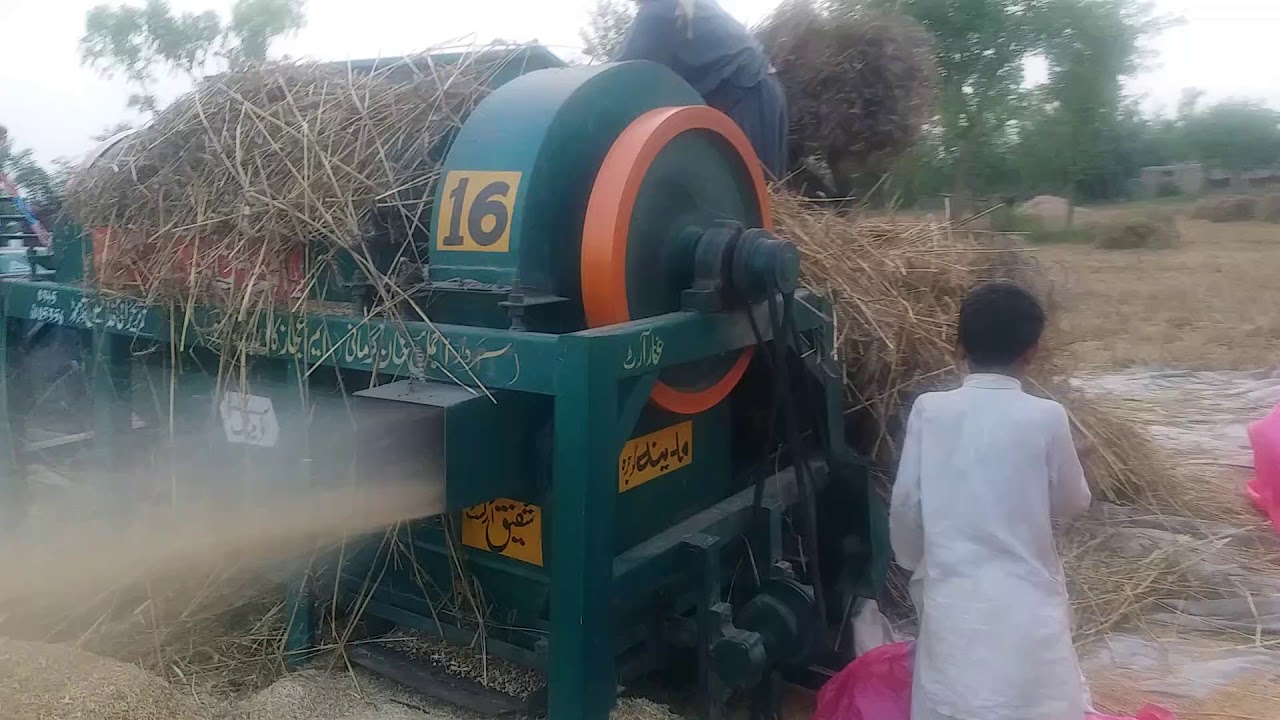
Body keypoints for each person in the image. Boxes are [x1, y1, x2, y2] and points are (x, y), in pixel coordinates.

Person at [889, 281, 1094, 720]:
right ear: (1032, 351)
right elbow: (1074, 503)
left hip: (954, 595)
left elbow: (907, 504)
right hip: (1028, 600)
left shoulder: (930, 410)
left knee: (951, 699)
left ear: (958, 345)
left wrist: (914, 562)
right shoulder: (1048, 417)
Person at [613, 0, 789, 180]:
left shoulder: (660, 7)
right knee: (763, 194)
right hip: (763, 91)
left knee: (741, 195)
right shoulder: (687, 5)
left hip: (748, 98)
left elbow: (619, 72)